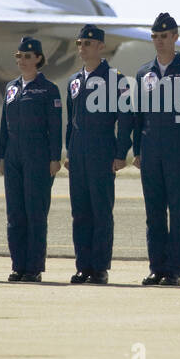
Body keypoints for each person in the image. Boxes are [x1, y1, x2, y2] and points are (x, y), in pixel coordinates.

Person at [131, 12, 180, 286]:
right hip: (151, 151)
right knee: (153, 213)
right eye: (154, 36)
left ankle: (174, 270)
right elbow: (137, 115)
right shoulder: (144, 73)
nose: (159, 41)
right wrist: (137, 149)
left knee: (178, 213)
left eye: (164, 36)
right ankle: (157, 268)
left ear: (175, 36)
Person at [64, 24, 131, 285]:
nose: (83, 48)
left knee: (101, 212)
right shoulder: (74, 80)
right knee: (80, 212)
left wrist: (120, 152)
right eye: (80, 43)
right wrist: (69, 151)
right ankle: (83, 266)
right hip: (78, 154)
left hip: (102, 151)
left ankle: (99, 268)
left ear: (101, 47)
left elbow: (125, 119)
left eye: (88, 43)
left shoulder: (116, 79)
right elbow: (71, 121)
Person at [0, 36, 62, 282]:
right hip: (13, 155)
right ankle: (18, 265)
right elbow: (4, 124)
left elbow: (55, 127)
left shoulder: (48, 89)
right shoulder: (12, 88)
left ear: (38, 59)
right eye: (19, 56)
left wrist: (55, 157)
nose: (22, 60)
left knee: (35, 212)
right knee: (15, 213)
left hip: (38, 155)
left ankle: (33, 268)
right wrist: (0, 155)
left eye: (27, 56)